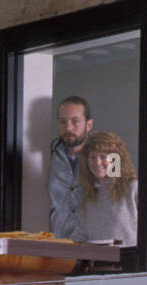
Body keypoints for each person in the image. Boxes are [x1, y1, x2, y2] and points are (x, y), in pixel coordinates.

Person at [72, 131, 138, 247]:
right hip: (95, 257)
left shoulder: (133, 188)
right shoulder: (88, 195)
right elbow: (80, 235)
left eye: (103, 157)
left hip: (129, 257)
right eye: (92, 157)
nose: (97, 163)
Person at [48, 96, 92, 239]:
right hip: (57, 241)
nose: (68, 128)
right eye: (63, 122)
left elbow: (119, 195)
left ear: (89, 125)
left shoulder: (111, 154)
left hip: (93, 241)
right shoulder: (48, 153)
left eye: (75, 121)